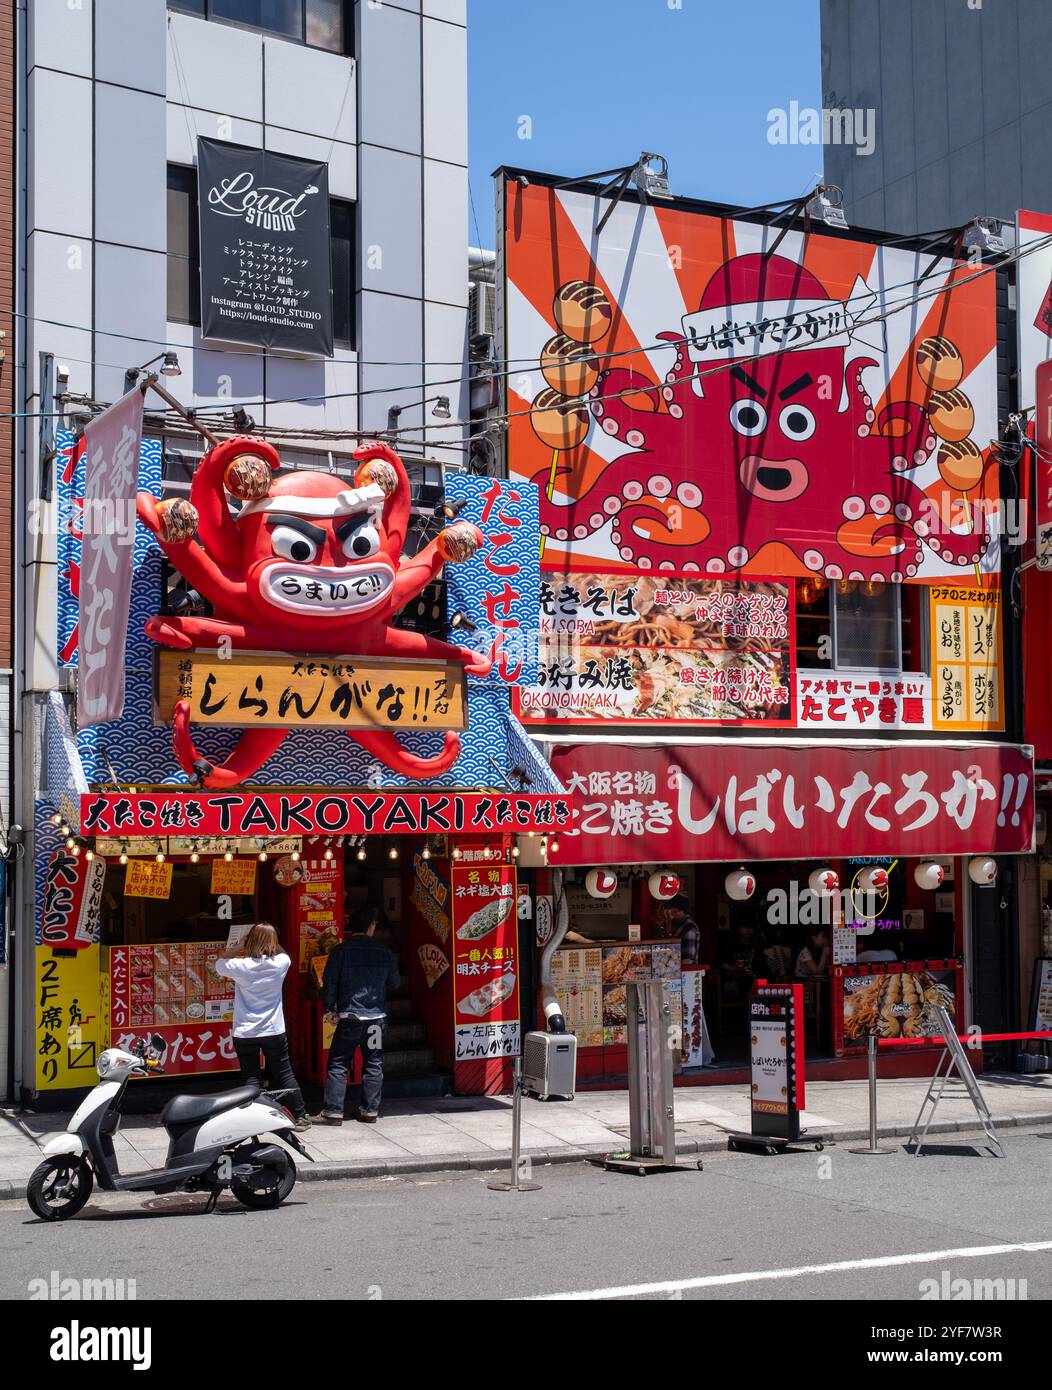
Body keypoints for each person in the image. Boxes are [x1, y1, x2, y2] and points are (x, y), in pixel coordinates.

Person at [212, 922, 310, 1132]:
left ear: (251, 941)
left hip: (245, 1030)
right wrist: (273, 942)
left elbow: (219, 964)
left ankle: (252, 1118)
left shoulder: (241, 965)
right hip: (273, 1029)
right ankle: (300, 1116)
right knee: (284, 1072)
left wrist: (239, 945)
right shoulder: (280, 963)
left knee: (250, 1076)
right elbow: (285, 954)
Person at [320, 907, 400, 1124]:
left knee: (338, 1062)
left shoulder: (340, 951)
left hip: (350, 1016)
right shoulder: (384, 952)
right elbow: (395, 983)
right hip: (376, 1017)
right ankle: (370, 1110)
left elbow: (329, 983)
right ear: (371, 926)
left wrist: (329, 1008)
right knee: (373, 1063)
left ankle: (334, 1111)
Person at [719, 921, 767, 1000]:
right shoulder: (731, 944)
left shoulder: (757, 946)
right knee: (730, 989)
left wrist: (753, 972)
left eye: (751, 928)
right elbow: (723, 963)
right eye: (745, 927)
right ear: (739, 930)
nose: (748, 930)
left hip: (751, 980)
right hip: (733, 979)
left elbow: (762, 966)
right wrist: (734, 969)